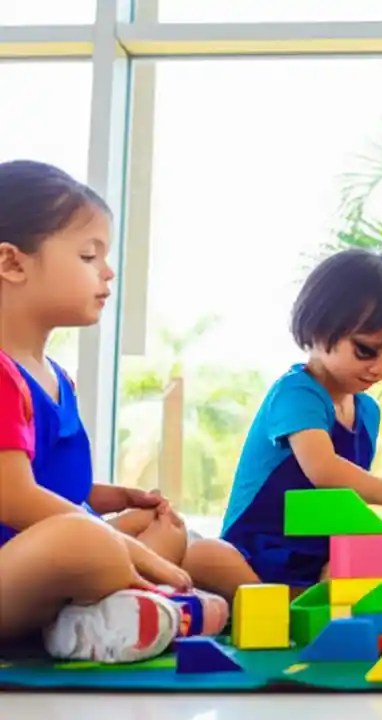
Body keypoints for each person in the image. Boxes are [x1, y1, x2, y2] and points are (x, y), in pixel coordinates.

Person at [0, 159, 230, 636]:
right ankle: (118, 609)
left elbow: (50, 482)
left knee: (157, 526)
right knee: (83, 538)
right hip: (19, 566)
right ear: (12, 263)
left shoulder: (56, 377)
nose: (107, 273)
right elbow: (12, 495)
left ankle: (101, 618)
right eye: (88, 257)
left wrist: (113, 500)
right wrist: (120, 544)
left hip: (47, 553)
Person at [189, 249, 382, 599]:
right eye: (366, 351)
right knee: (202, 556)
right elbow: (323, 470)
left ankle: (301, 597)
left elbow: (340, 502)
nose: (381, 367)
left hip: (316, 554)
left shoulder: (366, 412)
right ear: (317, 329)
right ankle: (271, 598)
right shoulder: (297, 393)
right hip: (257, 547)